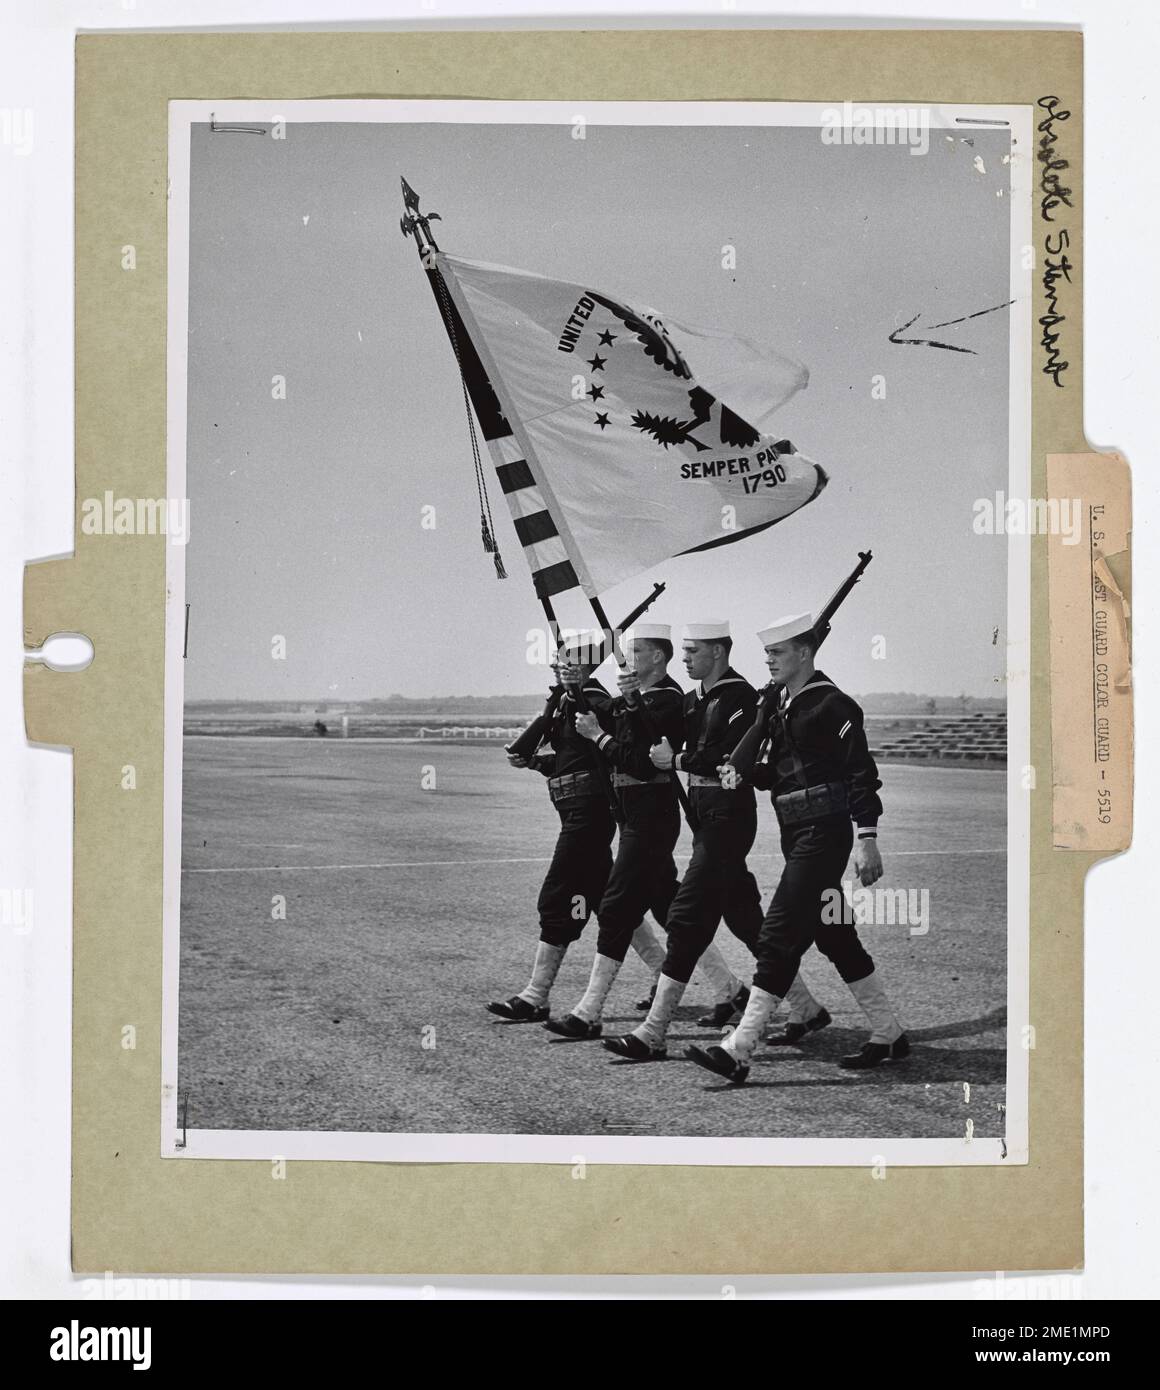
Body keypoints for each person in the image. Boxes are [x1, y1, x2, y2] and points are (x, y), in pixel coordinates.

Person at [685, 612, 909, 1085]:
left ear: (804, 653)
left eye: (777, 652)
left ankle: (740, 1047)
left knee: (779, 932)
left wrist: (867, 837)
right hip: (795, 831)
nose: (768, 660)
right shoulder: (782, 707)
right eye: (766, 653)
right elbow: (783, 773)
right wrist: (746, 771)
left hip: (825, 832)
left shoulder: (833, 705)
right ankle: (889, 1033)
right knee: (834, 933)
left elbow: (860, 774)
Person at [543, 624, 746, 1039]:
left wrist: (599, 736)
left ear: (657, 657)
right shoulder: (637, 700)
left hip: (651, 816)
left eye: (633, 652)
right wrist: (572, 686)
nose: (623, 659)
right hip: (633, 814)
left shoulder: (667, 700)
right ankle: (732, 990)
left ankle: (589, 1011)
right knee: (670, 908)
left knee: (616, 906)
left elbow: (637, 761)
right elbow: (600, 733)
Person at [601, 621, 768, 1061]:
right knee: (745, 916)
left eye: (693, 651)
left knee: (688, 914)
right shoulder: (696, 700)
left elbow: (726, 756)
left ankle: (653, 1032)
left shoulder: (739, 696)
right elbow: (655, 738)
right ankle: (805, 1009)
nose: (686, 657)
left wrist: (676, 759)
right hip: (704, 814)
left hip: (728, 816)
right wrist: (633, 706)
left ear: (717, 651)